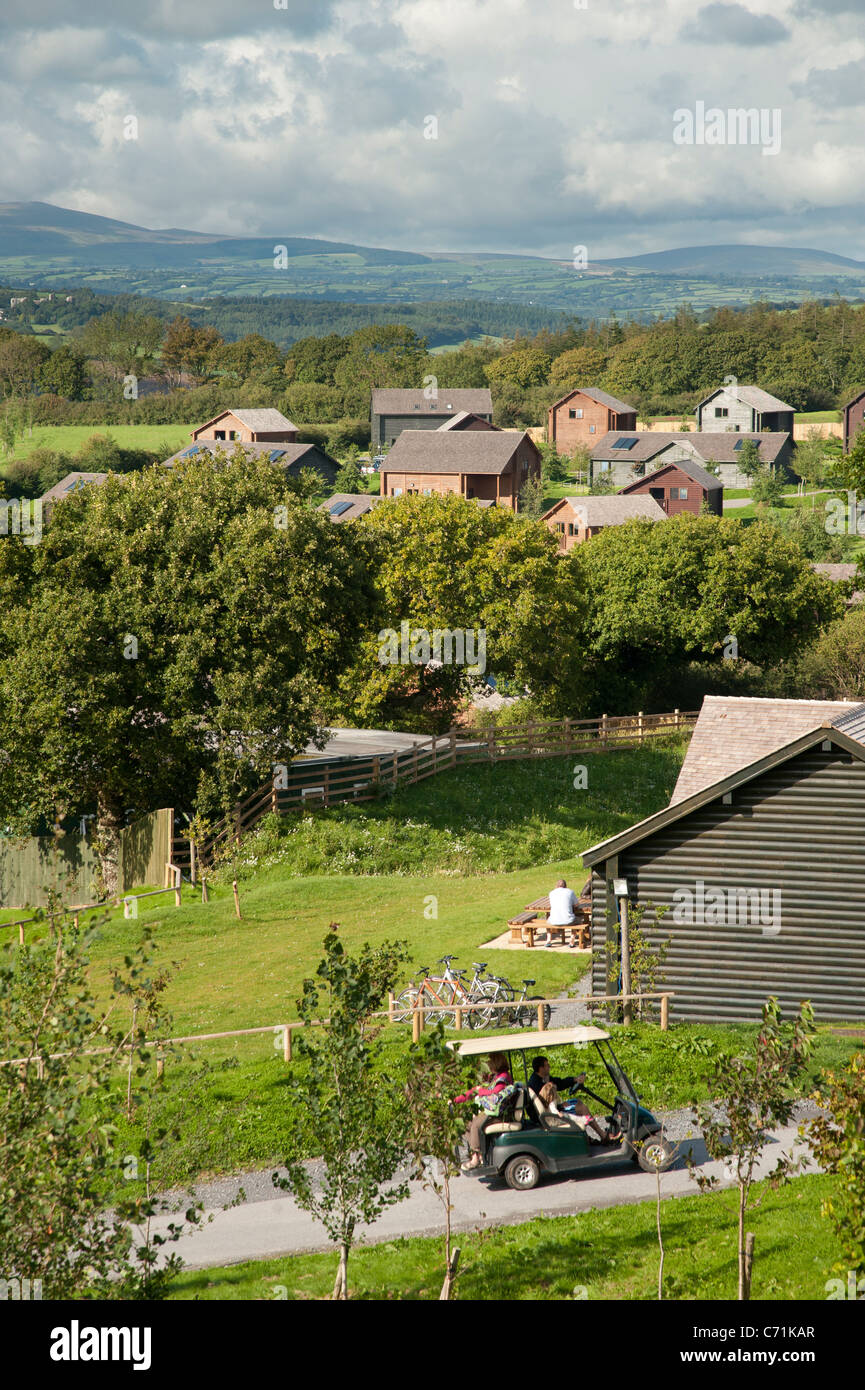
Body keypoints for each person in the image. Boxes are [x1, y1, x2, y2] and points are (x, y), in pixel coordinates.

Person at [455, 1051, 514, 1171]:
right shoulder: (494, 1077)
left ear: (495, 1063)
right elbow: (474, 1091)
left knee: (476, 1125)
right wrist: (456, 1100)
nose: (487, 1066)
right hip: (490, 1112)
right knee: (465, 1124)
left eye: (489, 1063)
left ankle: (475, 1157)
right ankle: (479, 1153)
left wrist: (480, 1090)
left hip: (500, 1114)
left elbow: (495, 1093)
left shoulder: (503, 1078)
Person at [529, 1056, 610, 1143]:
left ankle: (587, 1138)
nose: (549, 1067)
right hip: (550, 1115)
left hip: (552, 1110)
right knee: (582, 1108)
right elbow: (546, 1103)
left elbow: (560, 1083)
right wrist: (560, 1106)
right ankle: (602, 1135)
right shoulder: (537, 1084)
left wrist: (574, 1080)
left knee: (578, 1101)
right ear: (541, 1068)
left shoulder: (542, 1078)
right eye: (547, 1065)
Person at [547, 879, 578, 946]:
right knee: (578, 919)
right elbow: (576, 904)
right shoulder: (570, 892)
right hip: (568, 921)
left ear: (556, 885)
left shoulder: (551, 893)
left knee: (548, 919)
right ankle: (572, 940)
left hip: (553, 921)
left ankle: (548, 939)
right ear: (565, 886)